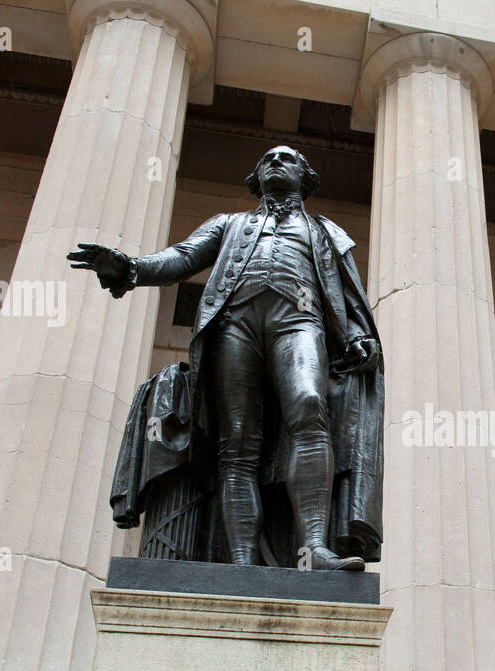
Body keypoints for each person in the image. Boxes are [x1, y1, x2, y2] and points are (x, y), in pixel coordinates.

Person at [69, 145, 383, 571]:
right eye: (267, 158)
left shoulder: (326, 233)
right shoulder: (228, 224)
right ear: (256, 178)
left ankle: (314, 549)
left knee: (310, 405)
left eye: (286, 158)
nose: (275, 161)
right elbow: (183, 257)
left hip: (299, 318)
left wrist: (361, 334)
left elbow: (349, 293)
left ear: (305, 177)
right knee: (237, 442)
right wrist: (133, 268)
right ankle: (240, 562)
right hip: (236, 324)